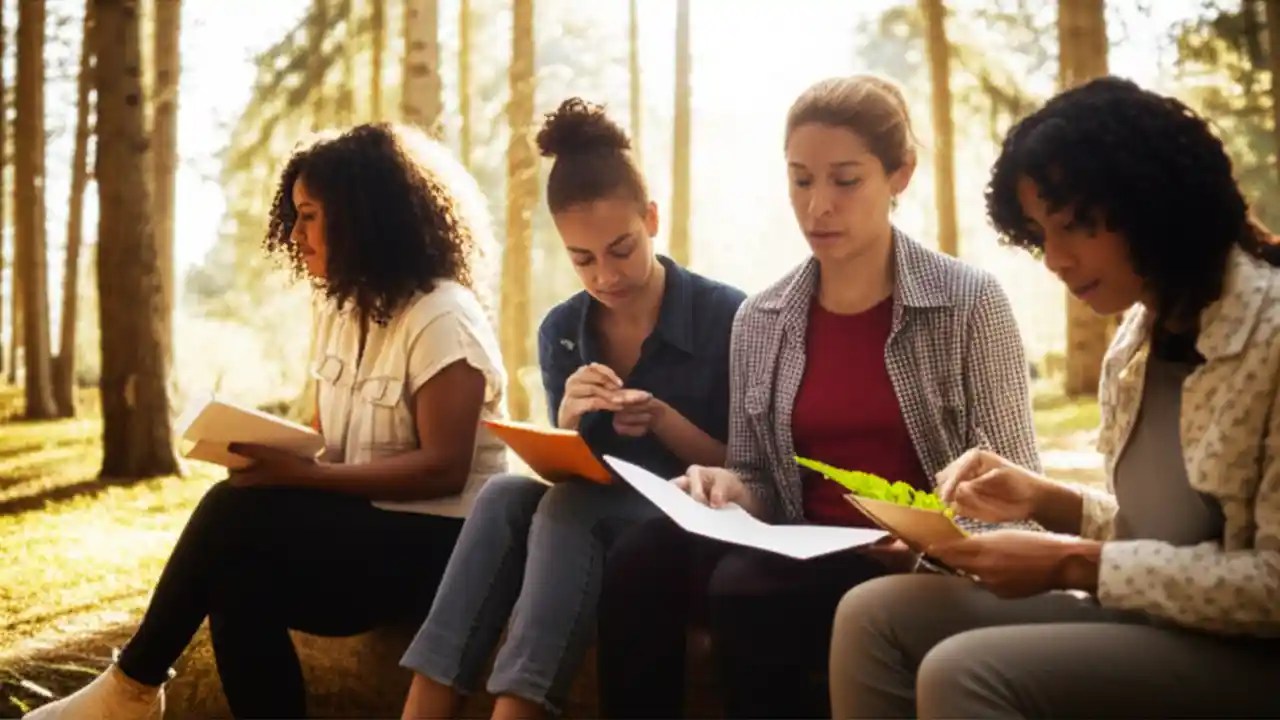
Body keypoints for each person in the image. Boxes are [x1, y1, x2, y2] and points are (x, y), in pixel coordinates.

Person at [829, 76, 1280, 719]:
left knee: (966, 673)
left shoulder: (1270, 333)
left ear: (1154, 202)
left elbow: (1271, 584)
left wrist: (1073, 565)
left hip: (1252, 658)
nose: (1056, 259)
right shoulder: (1140, 334)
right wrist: (1049, 502)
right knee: (874, 615)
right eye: (1041, 234)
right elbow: (1164, 534)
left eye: (1074, 226)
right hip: (1159, 622)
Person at [26, 123, 508, 720]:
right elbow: (330, 439)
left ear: (361, 217)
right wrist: (278, 453)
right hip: (366, 536)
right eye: (294, 216)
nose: (296, 234)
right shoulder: (339, 306)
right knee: (233, 577)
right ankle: (136, 691)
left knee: (233, 513)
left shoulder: (442, 317)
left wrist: (297, 477)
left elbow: (443, 468)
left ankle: (132, 687)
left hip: (443, 549)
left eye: (309, 215)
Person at [598, 74, 1041, 719]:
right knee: (640, 556)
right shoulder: (763, 316)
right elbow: (758, 476)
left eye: (845, 179)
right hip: (799, 545)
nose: (818, 206)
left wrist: (931, 541)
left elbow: (1018, 492)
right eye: (801, 180)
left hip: (920, 563)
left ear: (900, 175)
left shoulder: (969, 303)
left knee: (747, 592)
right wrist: (725, 485)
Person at [398, 98, 746, 720]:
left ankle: (519, 707)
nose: (606, 275)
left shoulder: (728, 317)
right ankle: (426, 703)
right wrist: (564, 427)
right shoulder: (563, 328)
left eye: (621, 248)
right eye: (582, 259)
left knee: (569, 506)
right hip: (591, 513)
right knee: (503, 497)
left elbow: (748, 468)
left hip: (685, 525)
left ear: (652, 219)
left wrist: (664, 419)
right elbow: (571, 470)